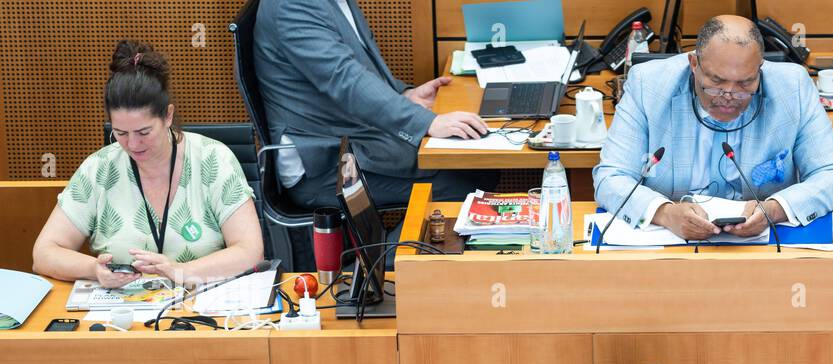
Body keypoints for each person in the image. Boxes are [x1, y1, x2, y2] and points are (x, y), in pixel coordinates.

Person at [593, 15, 833, 241]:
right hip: (671, 252)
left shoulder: (792, 87)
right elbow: (610, 178)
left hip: (762, 254)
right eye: (716, 81)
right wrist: (665, 213)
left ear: (760, 70)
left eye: (745, 83)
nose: (729, 95)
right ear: (694, 64)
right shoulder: (647, 85)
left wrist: (775, 209)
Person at [33, 41, 263, 288]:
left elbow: (250, 251)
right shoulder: (98, 169)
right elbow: (44, 254)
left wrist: (182, 271)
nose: (132, 144)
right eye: (120, 132)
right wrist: (94, 270)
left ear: (168, 116)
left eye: (144, 132)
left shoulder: (213, 160)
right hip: (121, 319)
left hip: (204, 311)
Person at [254, 0, 493, 210]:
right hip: (324, 163)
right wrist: (427, 122)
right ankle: (388, 262)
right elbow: (346, 80)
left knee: (479, 165)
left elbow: (358, 69)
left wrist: (405, 95)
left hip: (353, 137)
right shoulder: (292, 5)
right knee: (462, 184)